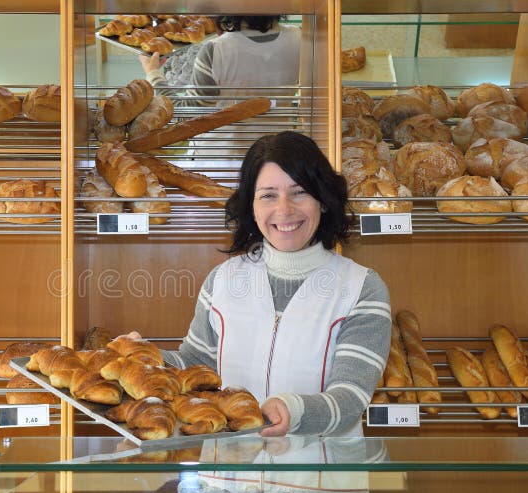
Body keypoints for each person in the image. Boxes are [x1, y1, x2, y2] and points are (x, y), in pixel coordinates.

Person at [129, 131, 391, 437]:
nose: (284, 210)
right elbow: (195, 365)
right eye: (268, 195)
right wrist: (144, 358)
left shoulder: (361, 288)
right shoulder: (223, 280)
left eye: (299, 192)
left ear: (322, 200)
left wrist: (292, 409)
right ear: (251, 208)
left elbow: (351, 397)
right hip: (229, 480)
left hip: (319, 476)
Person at [139, 15, 302, 156]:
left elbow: (187, 113)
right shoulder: (300, 37)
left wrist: (153, 74)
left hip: (221, 161)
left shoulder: (216, 50)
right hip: (275, 157)